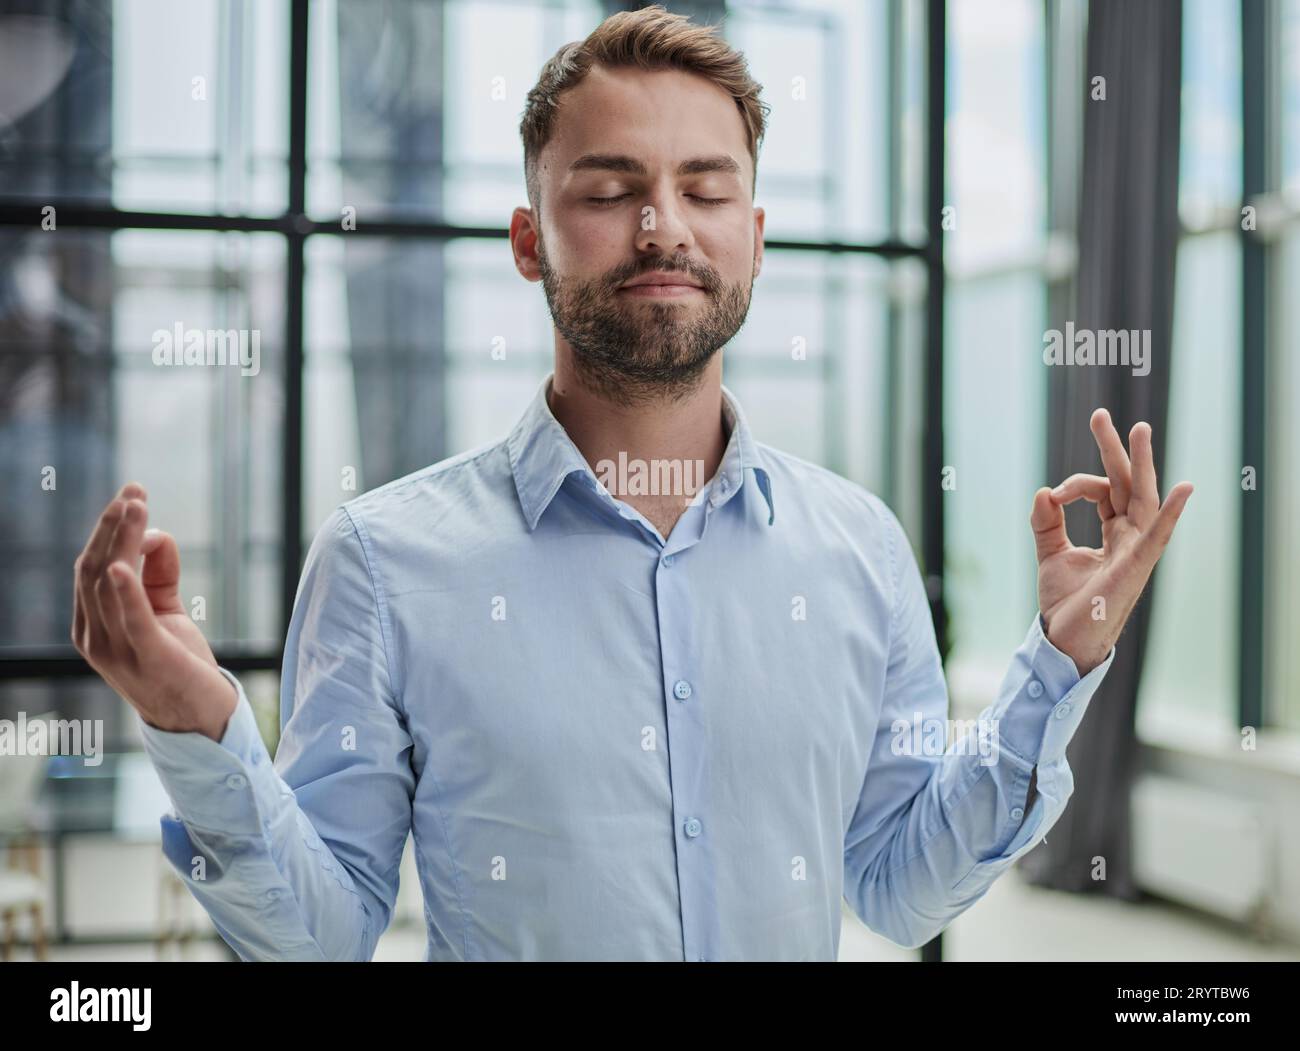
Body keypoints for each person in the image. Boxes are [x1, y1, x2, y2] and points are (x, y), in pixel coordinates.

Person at [71, 5, 1192, 961]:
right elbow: (324, 935)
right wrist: (196, 725)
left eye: (705, 190)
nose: (663, 227)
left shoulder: (858, 549)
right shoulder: (383, 562)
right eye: (610, 191)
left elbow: (899, 887)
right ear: (528, 239)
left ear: (752, 237)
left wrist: (1061, 661)